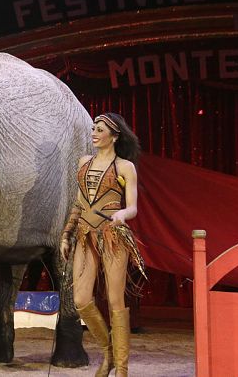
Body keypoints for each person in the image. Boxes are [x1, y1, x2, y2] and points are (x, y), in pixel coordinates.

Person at [60, 112, 145, 377]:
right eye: (93, 128)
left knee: (114, 300)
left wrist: (121, 214)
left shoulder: (124, 167)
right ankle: (108, 353)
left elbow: (132, 207)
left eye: (100, 129)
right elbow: (78, 203)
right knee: (81, 300)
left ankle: (121, 368)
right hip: (84, 236)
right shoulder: (84, 163)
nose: (94, 133)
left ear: (114, 135)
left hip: (112, 236)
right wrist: (66, 233)